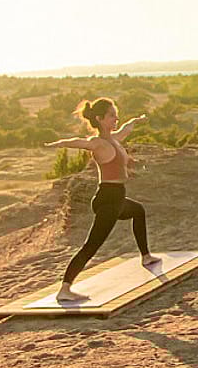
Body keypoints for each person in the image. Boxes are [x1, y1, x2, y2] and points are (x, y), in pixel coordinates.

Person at [44, 98, 160, 301]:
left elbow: (126, 128)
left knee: (138, 211)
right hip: (108, 199)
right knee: (91, 246)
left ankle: (146, 256)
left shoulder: (114, 138)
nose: (116, 118)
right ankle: (65, 289)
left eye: (116, 114)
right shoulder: (98, 143)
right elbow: (79, 142)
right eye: (111, 115)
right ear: (99, 119)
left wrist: (136, 120)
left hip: (116, 197)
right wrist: (58, 143)